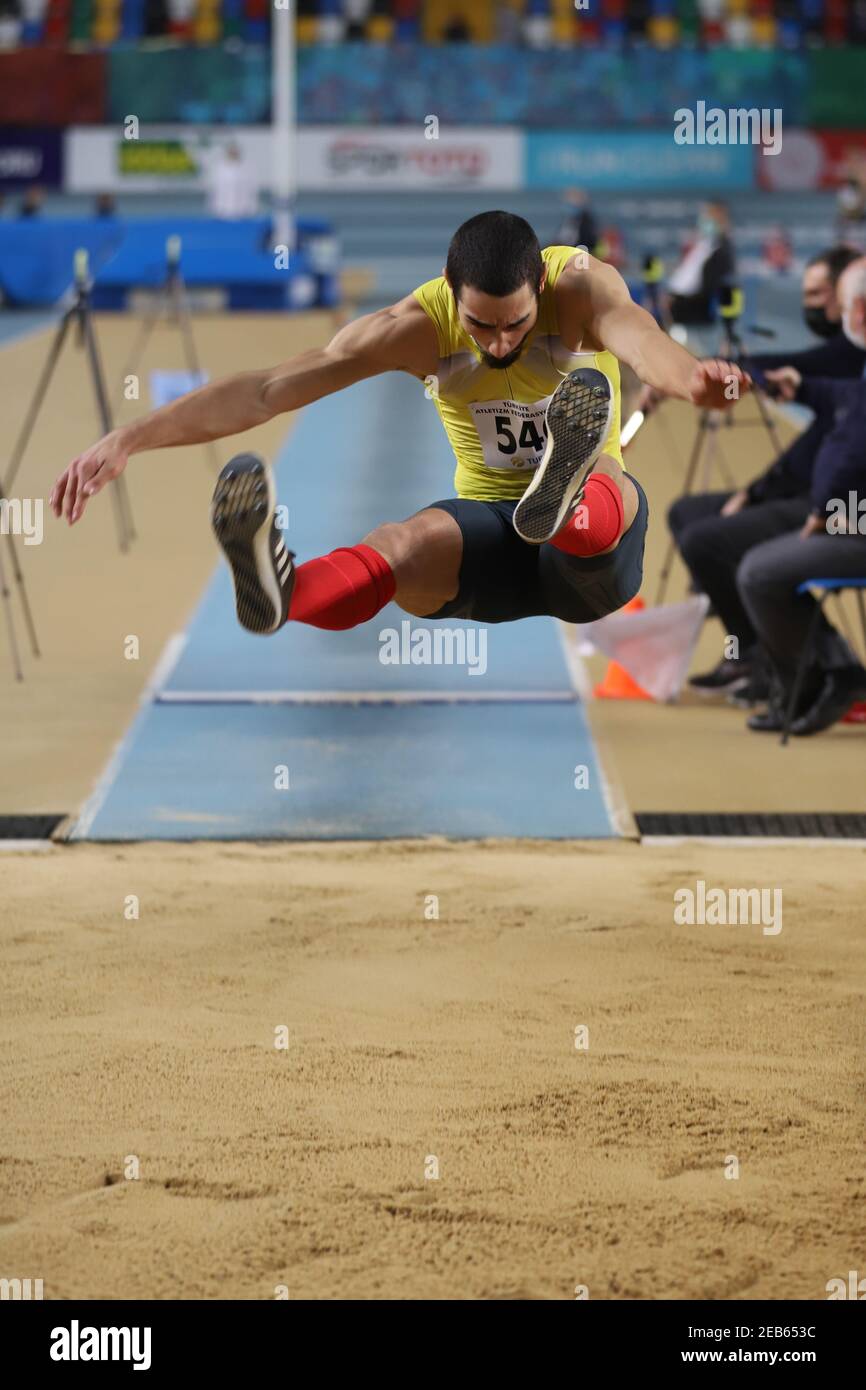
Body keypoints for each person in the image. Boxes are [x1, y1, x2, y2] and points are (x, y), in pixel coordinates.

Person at [50, 211, 748, 646]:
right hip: (489, 542)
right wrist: (129, 438)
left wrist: (692, 380)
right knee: (399, 543)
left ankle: (563, 498)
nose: (500, 343)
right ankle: (283, 591)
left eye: (515, 324)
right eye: (480, 325)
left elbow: (644, 340)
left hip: (589, 567)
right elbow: (266, 390)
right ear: (449, 290)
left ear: (540, 284)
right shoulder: (414, 327)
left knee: (603, 477)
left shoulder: (582, 290)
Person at [667, 246, 866, 703]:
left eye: (821, 293)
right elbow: (807, 412)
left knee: (710, 541)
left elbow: (838, 456)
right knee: (687, 515)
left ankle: (797, 663)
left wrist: (793, 502)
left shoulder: (850, 356)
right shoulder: (844, 362)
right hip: (811, 493)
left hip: (830, 506)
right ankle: (748, 652)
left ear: (849, 301)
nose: (813, 304)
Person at [737, 257, 866, 737]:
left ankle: (828, 677)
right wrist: (804, 386)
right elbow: (850, 398)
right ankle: (822, 673)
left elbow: (856, 449)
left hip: (853, 522)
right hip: (847, 515)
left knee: (758, 571)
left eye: (848, 306)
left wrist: (823, 512)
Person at [666, 201, 735, 328]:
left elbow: (709, 288)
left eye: (709, 217)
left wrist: (674, 302)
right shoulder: (703, 245)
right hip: (676, 305)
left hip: (693, 312)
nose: (705, 220)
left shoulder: (722, 251)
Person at [205, 140, 257, 221]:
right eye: (231, 151)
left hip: (243, 212)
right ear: (227, 152)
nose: (233, 153)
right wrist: (215, 208)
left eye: (235, 152)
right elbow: (213, 190)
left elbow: (251, 190)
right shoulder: (219, 169)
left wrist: (251, 208)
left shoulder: (246, 168)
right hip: (222, 211)